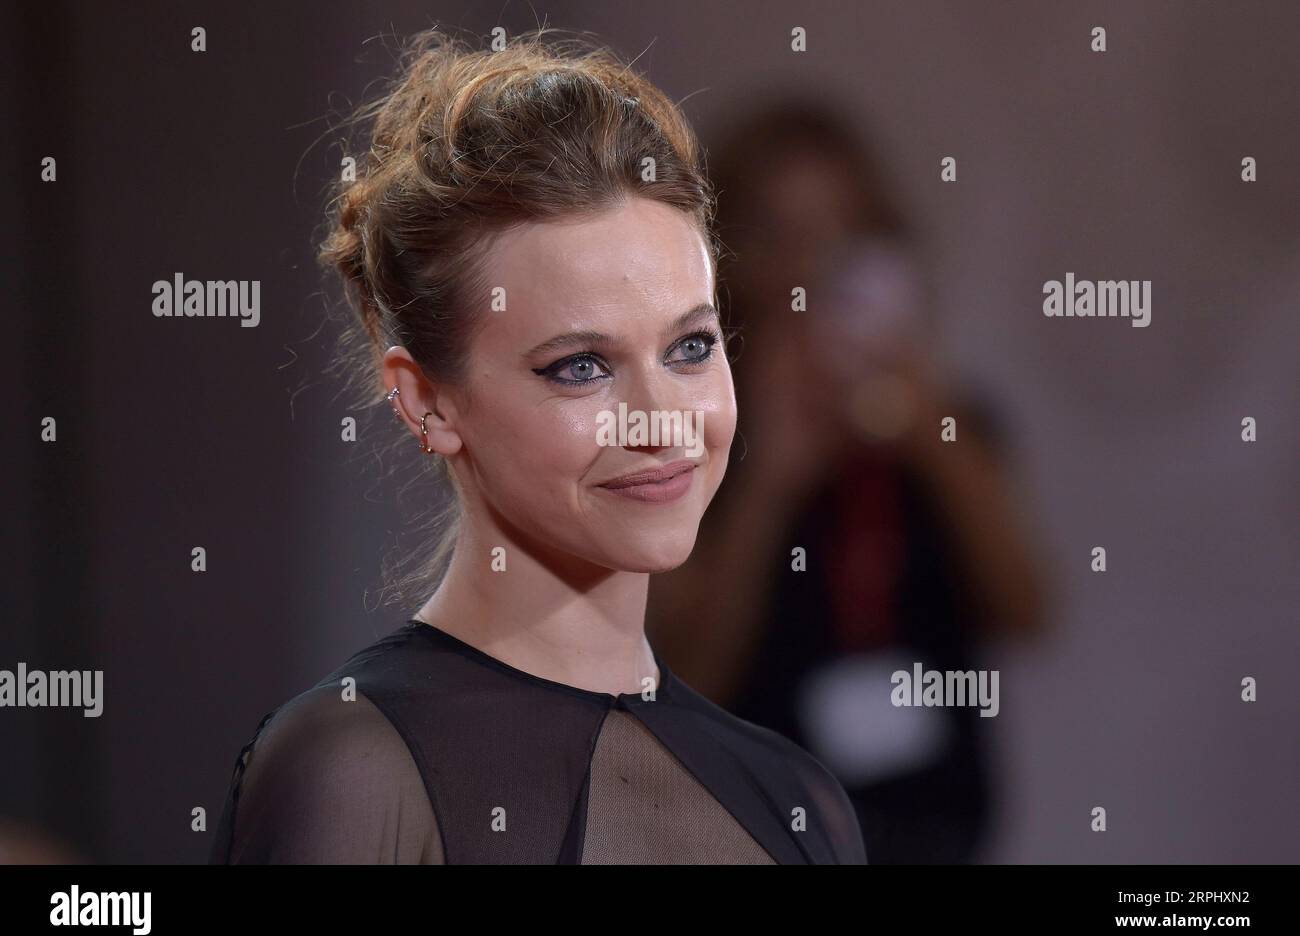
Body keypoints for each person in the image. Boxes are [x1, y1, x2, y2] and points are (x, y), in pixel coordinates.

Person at [208, 28, 867, 865]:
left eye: (690, 347)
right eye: (582, 367)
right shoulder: (352, 770)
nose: (660, 418)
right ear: (427, 401)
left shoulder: (798, 800)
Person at [648, 100, 1052, 863]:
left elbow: (1028, 607)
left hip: (937, 834)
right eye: (782, 238)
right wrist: (769, 478)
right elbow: (688, 676)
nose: (815, 270)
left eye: (846, 231)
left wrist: (931, 434)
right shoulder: (693, 444)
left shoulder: (952, 424)